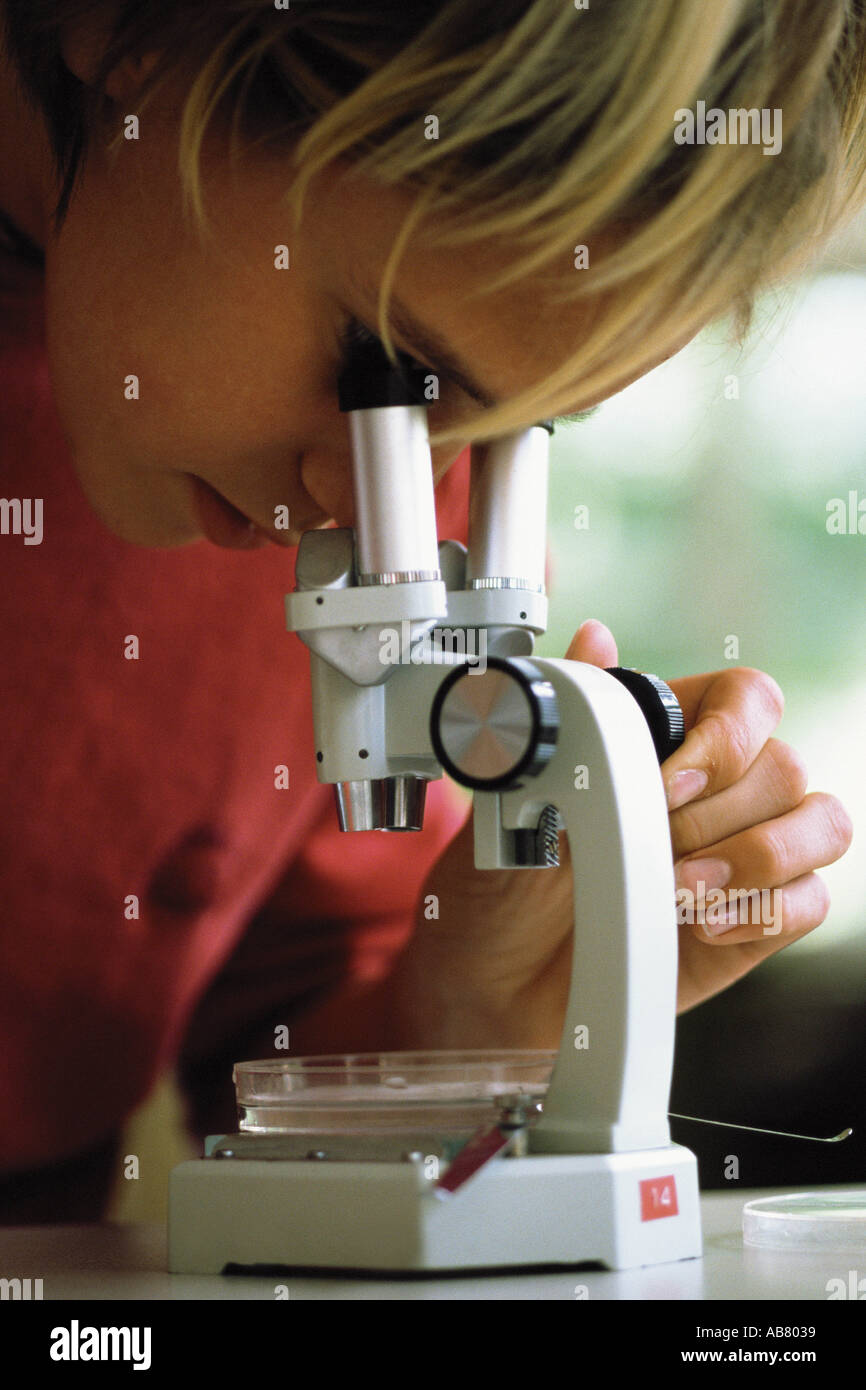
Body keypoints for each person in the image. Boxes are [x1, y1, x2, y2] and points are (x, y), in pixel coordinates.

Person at [0, 1, 859, 1221]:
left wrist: (461, 1008)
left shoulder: (368, 514)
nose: (374, 507)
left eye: (495, 431)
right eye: (386, 367)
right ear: (142, 28)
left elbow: (273, 1049)